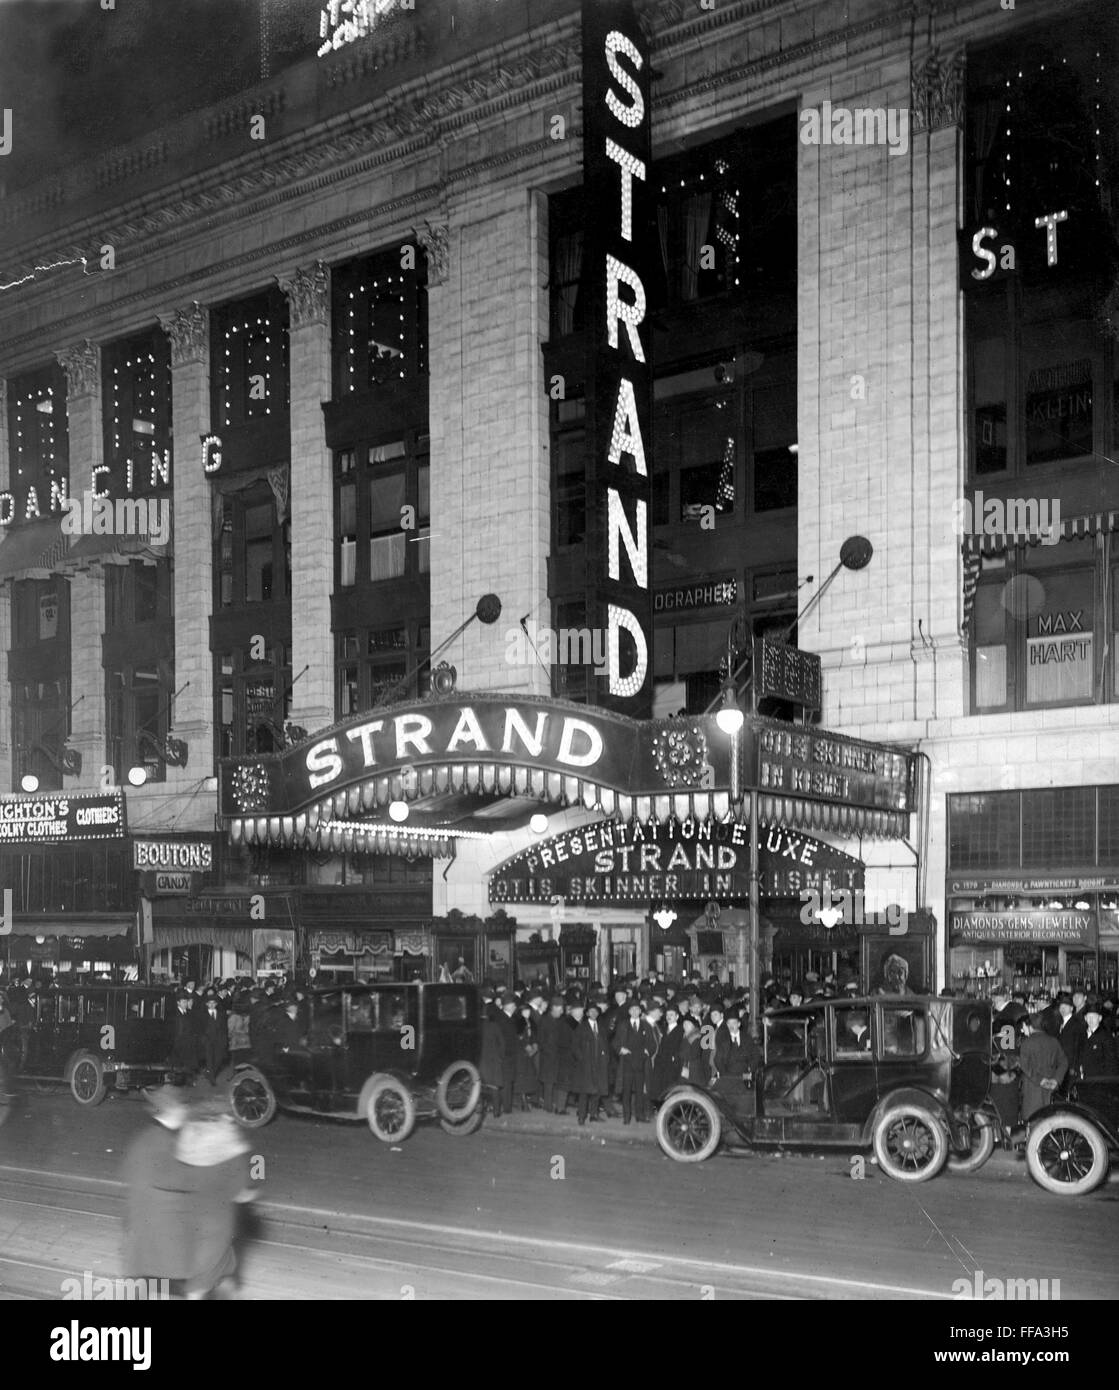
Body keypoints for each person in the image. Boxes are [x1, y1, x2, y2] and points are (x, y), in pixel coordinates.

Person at [173, 1096, 257, 1299]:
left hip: (186, 1217)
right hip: (217, 1221)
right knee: (213, 1270)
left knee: (205, 1267)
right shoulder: (230, 1148)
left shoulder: (184, 1142)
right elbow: (242, 1190)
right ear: (222, 1118)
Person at [1017, 1012, 1069, 1120]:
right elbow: (1064, 1062)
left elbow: (1025, 1066)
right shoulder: (1054, 1041)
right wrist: (1056, 1080)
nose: (1022, 1030)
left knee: (1033, 1122)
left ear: (1030, 1026)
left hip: (1032, 1091)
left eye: (1024, 1026)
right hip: (1051, 1091)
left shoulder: (1026, 1043)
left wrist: (1041, 1080)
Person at [571, 998, 610, 1125]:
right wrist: (581, 1059)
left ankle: (594, 1115)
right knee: (584, 1092)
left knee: (597, 1091)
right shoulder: (581, 1027)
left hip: (599, 1064)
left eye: (596, 1011)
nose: (594, 1013)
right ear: (587, 1013)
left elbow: (606, 1044)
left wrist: (606, 1058)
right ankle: (581, 1117)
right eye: (591, 1011)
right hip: (586, 1064)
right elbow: (575, 1046)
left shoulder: (601, 1027)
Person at [537, 996, 568, 1114]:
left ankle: (554, 1104)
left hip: (559, 1056)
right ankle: (548, 1106)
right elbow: (541, 1039)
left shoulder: (561, 1021)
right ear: (553, 1008)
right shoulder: (544, 1020)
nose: (562, 1011)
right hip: (548, 1056)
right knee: (548, 1081)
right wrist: (548, 1051)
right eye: (560, 1009)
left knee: (556, 1081)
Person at [1079, 1001, 1117, 1078]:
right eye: (1088, 1017)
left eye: (1094, 1017)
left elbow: (1111, 1063)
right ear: (1085, 1018)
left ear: (1100, 1018)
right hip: (1084, 1079)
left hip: (1099, 1080)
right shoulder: (1082, 1035)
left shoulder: (1106, 1037)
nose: (1091, 1020)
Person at [171, 992, 200, 1085]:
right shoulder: (174, 1014)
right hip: (179, 1042)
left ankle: (188, 1080)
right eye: (183, 1002)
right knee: (180, 1063)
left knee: (189, 1062)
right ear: (178, 1003)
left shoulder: (189, 1013)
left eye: (186, 1001)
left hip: (189, 1041)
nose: (186, 1003)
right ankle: (179, 1080)